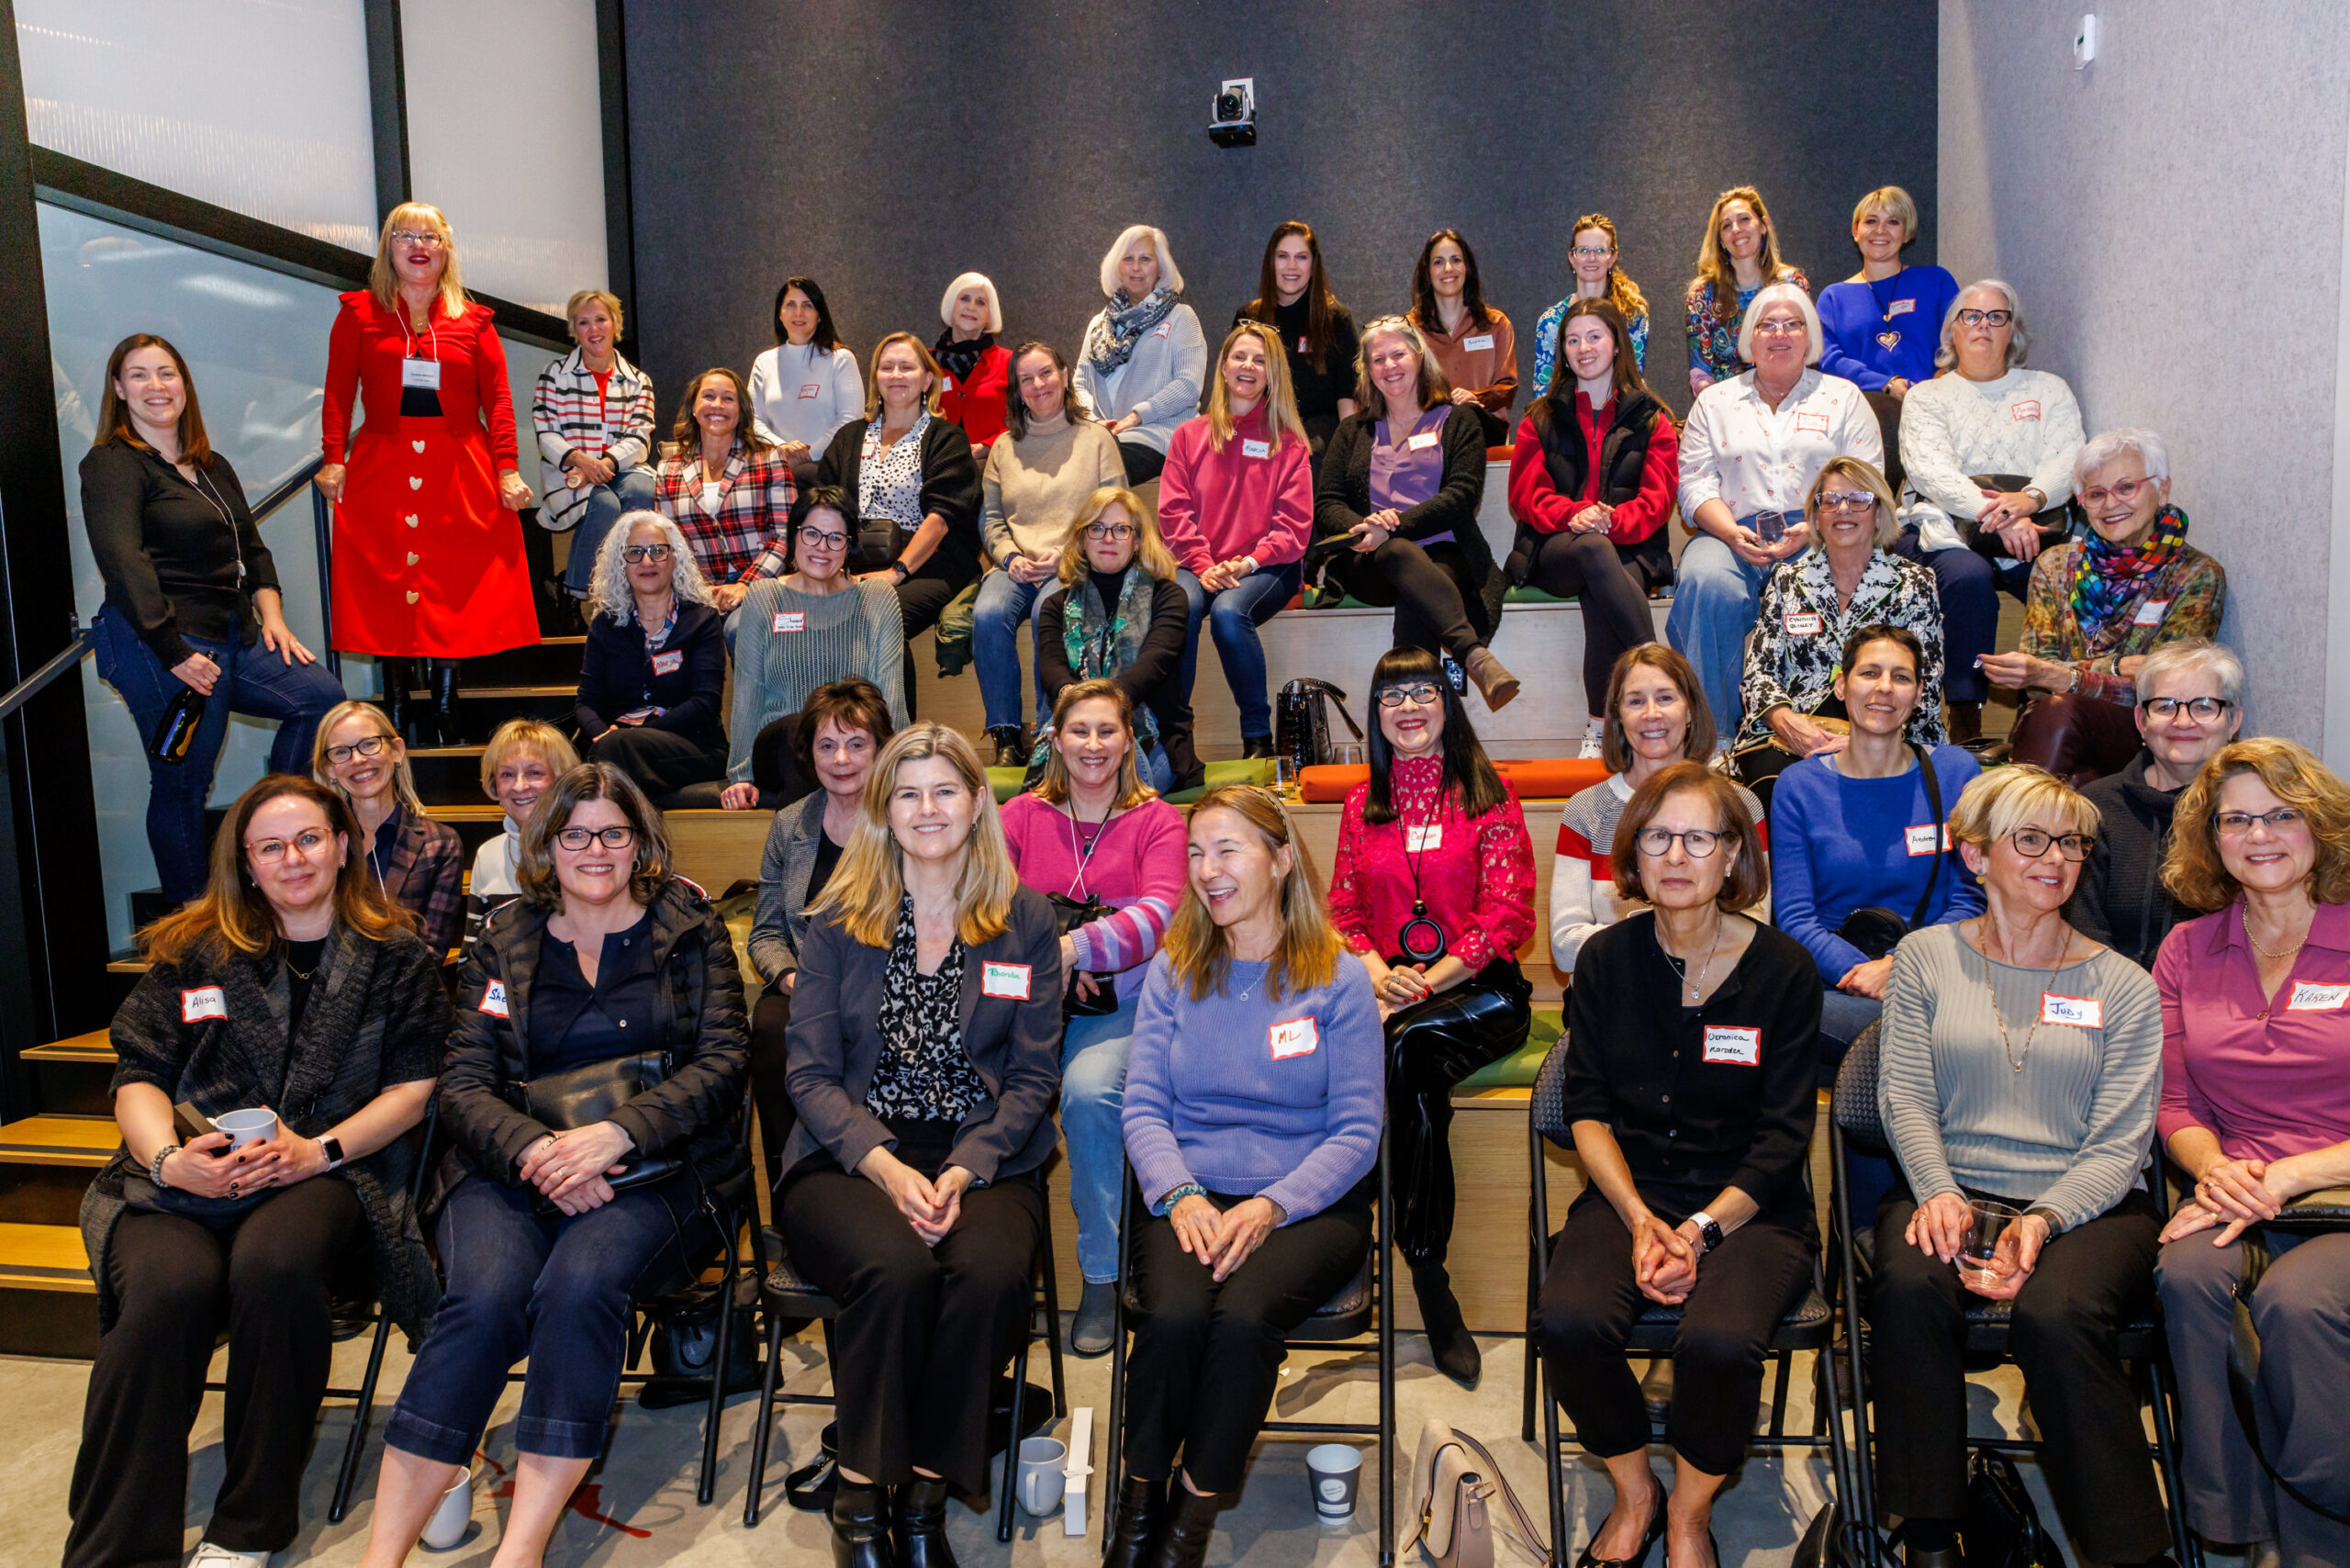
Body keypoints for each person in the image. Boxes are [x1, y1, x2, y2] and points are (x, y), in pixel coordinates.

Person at [359, 763, 750, 1568]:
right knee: (484, 1301)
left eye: (613, 832)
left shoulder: (691, 930)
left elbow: (722, 1062)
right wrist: (538, 1151)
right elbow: (464, 1081)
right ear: (547, 843)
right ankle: (380, 1558)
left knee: (579, 1286)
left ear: (640, 840)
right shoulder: (504, 939)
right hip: (511, 1169)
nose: (595, 850)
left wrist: (617, 1136)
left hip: (657, 1171)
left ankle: (521, 1550)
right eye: (575, 834)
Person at [66, 775, 449, 1568]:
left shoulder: (396, 955)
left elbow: (416, 1088)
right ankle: (114, 1552)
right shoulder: (193, 951)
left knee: (273, 1266)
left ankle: (249, 1527)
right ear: (245, 863)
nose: (293, 858)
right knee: (165, 1291)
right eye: (270, 846)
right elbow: (138, 1072)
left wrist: (318, 1151)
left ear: (344, 846)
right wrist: (170, 1161)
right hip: (188, 1178)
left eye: (309, 838)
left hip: (329, 1173)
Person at [775, 723, 1062, 1568]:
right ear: (882, 808)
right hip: (851, 1153)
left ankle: (926, 1499)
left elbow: (1035, 1077)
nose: (927, 809)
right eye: (907, 793)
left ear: (978, 802)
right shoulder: (835, 921)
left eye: (945, 790)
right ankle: (862, 1501)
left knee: (988, 1273)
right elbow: (810, 1077)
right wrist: (891, 1168)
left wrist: (969, 1168)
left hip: (985, 1151)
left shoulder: (1024, 920)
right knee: (895, 1271)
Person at [1873, 765, 2171, 1568]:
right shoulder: (1927, 957)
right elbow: (1904, 1096)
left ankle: (2131, 1553)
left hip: (2089, 1204)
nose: (2054, 859)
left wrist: (2042, 1220)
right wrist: (1936, 1190)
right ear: (1975, 856)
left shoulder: (2125, 987)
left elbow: (2121, 1145)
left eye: (2070, 843)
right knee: (1908, 1283)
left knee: (2057, 1313)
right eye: (2030, 839)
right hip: (1951, 1182)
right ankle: (1930, 1537)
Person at [1538, 762, 1818, 1568]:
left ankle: (1691, 1515)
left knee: (1722, 1343)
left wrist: (1696, 1232)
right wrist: (1637, 1220)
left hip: (1750, 1207)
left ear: (1734, 855)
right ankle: (1636, 1494)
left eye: (1700, 837)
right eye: (1658, 836)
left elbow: (1782, 1137)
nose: (1676, 856)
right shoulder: (1605, 962)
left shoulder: (1785, 972)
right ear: (1633, 853)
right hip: (1631, 1193)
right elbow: (1586, 1108)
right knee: (1568, 1321)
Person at [1109, 785, 1383, 1568]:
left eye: (1227, 849)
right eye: (1196, 852)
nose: (1206, 869)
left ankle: (1189, 1524)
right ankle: (1138, 1514)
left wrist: (1270, 1205)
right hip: (1190, 1192)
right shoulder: (1175, 970)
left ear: (1282, 859)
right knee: (1171, 1319)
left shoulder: (1339, 978)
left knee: (1242, 1319)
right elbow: (1143, 1109)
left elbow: (1359, 1131)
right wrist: (1181, 1191)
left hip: (1307, 1200)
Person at [2152, 738, 2350, 1568]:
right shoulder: (2188, 949)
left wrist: (2297, 1174)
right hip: (2230, 1185)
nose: (2259, 834)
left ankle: (2320, 1537)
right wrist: (2214, 1169)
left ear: (2321, 826)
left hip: (2336, 1186)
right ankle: (2240, 1528)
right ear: (2212, 838)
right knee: (2187, 1279)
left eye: (2281, 815)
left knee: (2297, 1306)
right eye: (2237, 819)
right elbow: (2173, 1103)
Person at [1326, 645, 1534, 1384]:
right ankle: (1402, 1258)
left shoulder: (1489, 792)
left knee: (1404, 1045)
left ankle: (1412, 1264)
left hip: (1482, 989)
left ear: (1449, 702)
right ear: (1376, 715)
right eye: (1390, 697)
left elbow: (1507, 915)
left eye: (1421, 692)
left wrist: (1425, 983)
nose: (1407, 709)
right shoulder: (1362, 803)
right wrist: (1382, 975)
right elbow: (1343, 909)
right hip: (1389, 989)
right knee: (1390, 1048)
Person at [84, 332, 343, 905]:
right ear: (118, 389)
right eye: (139, 375)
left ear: (184, 384)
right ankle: (196, 925)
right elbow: (122, 563)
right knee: (182, 782)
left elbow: (253, 548)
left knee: (320, 698)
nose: (156, 386)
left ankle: (270, 831)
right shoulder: (112, 464)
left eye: (167, 373)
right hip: (159, 644)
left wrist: (272, 615)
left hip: (234, 635)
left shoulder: (211, 464)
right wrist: (173, 653)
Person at [1002, 680, 1188, 1354]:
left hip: (1126, 1002)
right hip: (1027, 1003)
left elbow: (1161, 916)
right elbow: (987, 909)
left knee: (1087, 1095)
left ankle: (1102, 1278)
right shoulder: (1019, 816)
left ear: (1128, 741)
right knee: (978, 1088)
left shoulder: (1158, 820)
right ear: (1055, 738)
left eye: (1107, 731)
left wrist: (1070, 945)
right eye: (1078, 730)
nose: (1093, 745)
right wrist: (1044, 960)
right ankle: (994, 1276)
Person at [316, 202, 540, 745]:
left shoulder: (474, 320)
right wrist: (332, 457)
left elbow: (501, 403)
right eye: (405, 235)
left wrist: (507, 470)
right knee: (386, 580)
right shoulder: (358, 313)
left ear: (446, 250)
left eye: (431, 237)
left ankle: (444, 703)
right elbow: (339, 392)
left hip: (458, 465)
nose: (418, 246)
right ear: (389, 247)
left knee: (451, 581)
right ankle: (393, 706)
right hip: (382, 464)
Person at [1669, 284, 1881, 743]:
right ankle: (1714, 742)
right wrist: (1729, 533)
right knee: (1707, 582)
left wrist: (1817, 526)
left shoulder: (1844, 398)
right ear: (1749, 339)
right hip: (1730, 532)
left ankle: (1840, 734)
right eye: (1767, 324)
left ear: (1810, 337)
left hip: (1824, 529)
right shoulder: (1714, 402)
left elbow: (1868, 478)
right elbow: (1694, 482)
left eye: (1792, 324)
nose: (1779, 334)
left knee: (1841, 581)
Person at [1770, 625, 1982, 1067]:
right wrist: (1862, 974)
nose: (1885, 688)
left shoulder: (1956, 772)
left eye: (1901, 677)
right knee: (1771, 1010)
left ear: (1920, 693)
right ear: (1842, 685)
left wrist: (1899, 966)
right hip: (1836, 984)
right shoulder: (1798, 786)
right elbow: (1794, 917)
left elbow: (1970, 898)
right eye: (1869, 673)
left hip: (1936, 971)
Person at [1892, 280, 2086, 743]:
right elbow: (1930, 472)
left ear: (2011, 331)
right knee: (1967, 578)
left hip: (2036, 524)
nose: (1983, 325)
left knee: (2066, 576)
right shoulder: (1927, 397)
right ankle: (1966, 717)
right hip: (1948, 528)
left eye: (1996, 316)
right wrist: (2002, 516)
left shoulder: (2049, 389)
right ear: (1952, 333)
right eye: (1971, 316)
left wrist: (2032, 499)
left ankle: (2048, 712)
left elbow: (2070, 457)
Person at [1988, 428, 2228, 786]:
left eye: (2126, 488)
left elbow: (2165, 691)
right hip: (2052, 728)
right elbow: (2035, 678)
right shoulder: (2054, 565)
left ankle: (2020, 826)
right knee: (2071, 763)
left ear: (2162, 490)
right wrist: (2115, 667)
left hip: (2141, 733)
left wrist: (2064, 677)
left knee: (2061, 707)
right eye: (2096, 494)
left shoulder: (2195, 575)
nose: (2111, 504)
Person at [1312, 316, 1516, 709]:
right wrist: (1365, 527)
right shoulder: (1352, 430)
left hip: (1443, 553)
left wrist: (1398, 525)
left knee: (1414, 586)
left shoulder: (1457, 420)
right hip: (1368, 557)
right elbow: (1327, 503)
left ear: (1419, 357)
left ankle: (1410, 718)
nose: (1389, 366)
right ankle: (1473, 655)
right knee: (1395, 552)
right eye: (1378, 359)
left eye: (1398, 355)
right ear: (1368, 371)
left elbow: (1462, 496)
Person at [1505, 297, 1678, 755]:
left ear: (1617, 343)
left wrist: (1610, 521)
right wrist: (1575, 516)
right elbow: (1524, 494)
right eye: (1573, 339)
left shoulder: (1653, 417)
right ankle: (1663, 677)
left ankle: (1599, 730)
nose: (1583, 347)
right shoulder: (1539, 417)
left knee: (1602, 590)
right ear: (1562, 350)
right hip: (1556, 547)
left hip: (1630, 546)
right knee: (1591, 551)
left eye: (1594, 336)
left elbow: (1658, 501)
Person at [745, 678, 896, 1192]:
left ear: (880, 748)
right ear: (809, 754)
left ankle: (868, 1179)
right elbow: (765, 931)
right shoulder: (791, 824)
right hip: (805, 985)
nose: (842, 759)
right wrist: (790, 977)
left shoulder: (906, 819)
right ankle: (794, 1193)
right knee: (769, 1032)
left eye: (857, 744)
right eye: (827, 745)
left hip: (884, 983)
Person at [1553, 645, 1771, 970]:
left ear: (1690, 710)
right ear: (1619, 716)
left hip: (1713, 989)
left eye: (1666, 698)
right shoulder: (1585, 810)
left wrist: (1637, 938)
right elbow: (1565, 947)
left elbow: (1755, 924)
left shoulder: (1741, 806)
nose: (1651, 713)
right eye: (1636, 701)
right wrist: (1668, 938)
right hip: (1611, 993)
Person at [1734, 458, 1945, 792]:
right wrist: (1786, 721)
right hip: (1791, 733)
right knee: (1780, 785)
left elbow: (1926, 686)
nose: (1843, 510)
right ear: (1816, 517)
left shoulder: (1914, 583)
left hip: (1888, 727)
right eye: (1830, 501)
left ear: (1878, 514)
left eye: (1858, 499)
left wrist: (1861, 739)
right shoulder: (1788, 580)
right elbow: (1759, 674)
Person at [1157, 322, 1313, 758]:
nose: (1249, 366)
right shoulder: (1188, 436)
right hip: (1198, 564)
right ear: (1223, 368)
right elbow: (1172, 512)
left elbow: (1294, 526)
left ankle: (1257, 738)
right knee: (1178, 605)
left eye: (1260, 360)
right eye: (1240, 357)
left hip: (1266, 567)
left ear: (1272, 374)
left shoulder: (1289, 442)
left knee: (1228, 613)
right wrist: (1204, 565)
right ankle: (1175, 737)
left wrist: (1245, 564)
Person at [975, 341, 1126, 761]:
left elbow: (1116, 511)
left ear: (1063, 375)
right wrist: (1009, 558)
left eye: (1046, 373)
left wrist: (1071, 553)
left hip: (1075, 563)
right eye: (1026, 379)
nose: (1038, 385)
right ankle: (1006, 736)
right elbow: (990, 519)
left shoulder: (1097, 439)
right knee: (987, 613)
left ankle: (1048, 733)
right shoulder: (1003, 447)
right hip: (1016, 565)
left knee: (1049, 611)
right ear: (1017, 390)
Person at [719, 486, 908, 811]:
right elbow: (748, 691)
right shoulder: (763, 597)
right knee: (803, 728)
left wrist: (901, 770)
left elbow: (892, 696)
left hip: (850, 748)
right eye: (811, 534)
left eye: (836, 538)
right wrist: (740, 775)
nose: (822, 547)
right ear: (793, 536)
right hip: (780, 747)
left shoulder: (877, 598)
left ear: (850, 546)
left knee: (840, 745)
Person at [2070, 639, 2244, 968]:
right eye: (2165, 706)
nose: (2183, 721)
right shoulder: (2094, 808)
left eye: (2204, 706)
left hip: (2223, 1003)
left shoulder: (2255, 817)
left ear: (2233, 721)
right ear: (2141, 721)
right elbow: (2082, 929)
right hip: (2115, 1000)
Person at [814, 331, 986, 653]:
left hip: (927, 568)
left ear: (927, 381)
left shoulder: (946, 439)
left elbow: (942, 518)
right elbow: (824, 509)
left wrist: (897, 572)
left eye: (906, 367)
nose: (895, 375)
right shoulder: (849, 438)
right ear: (875, 379)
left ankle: (890, 707)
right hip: (855, 565)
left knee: (879, 619)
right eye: (887, 367)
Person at [1035, 487, 1202, 796]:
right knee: (1083, 771)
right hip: (1076, 741)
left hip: (1154, 742)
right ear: (1083, 540)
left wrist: (1091, 709)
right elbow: (1051, 671)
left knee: (1098, 785)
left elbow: (1150, 668)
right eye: (1097, 528)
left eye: (1120, 529)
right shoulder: (1056, 606)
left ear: (1137, 541)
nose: (1108, 538)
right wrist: (1088, 720)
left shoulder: (1169, 597)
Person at [576, 511, 729, 803]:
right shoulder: (605, 625)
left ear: (675, 559)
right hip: (615, 745)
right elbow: (586, 702)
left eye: (658, 551)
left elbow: (705, 702)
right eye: (635, 552)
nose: (647, 562)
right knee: (610, 754)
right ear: (621, 563)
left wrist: (636, 734)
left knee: (613, 757)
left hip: (690, 746)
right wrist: (600, 734)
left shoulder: (702, 618)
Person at [533, 288, 657, 611]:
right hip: (570, 471)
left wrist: (606, 463)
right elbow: (545, 433)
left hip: (622, 468)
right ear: (574, 330)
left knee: (643, 491)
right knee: (604, 503)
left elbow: (641, 436)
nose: (594, 329)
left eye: (601, 319)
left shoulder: (638, 380)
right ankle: (573, 593)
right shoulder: (553, 375)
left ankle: (630, 586)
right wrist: (581, 460)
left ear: (615, 324)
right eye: (583, 322)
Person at [312, 699, 464, 957]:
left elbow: (431, 953)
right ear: (329, 769)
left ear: (396, 750)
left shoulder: (441, 844)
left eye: (369, 744)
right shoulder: (315, 844)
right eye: (341, 752)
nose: (358, 759)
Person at [653, 366, 798, 633]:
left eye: (728, 398)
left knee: (739, 630)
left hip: (761, 584)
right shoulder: (668, 470)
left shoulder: (769, 459)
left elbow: (785, 535)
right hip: (699, 589)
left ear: (741, 411)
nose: (717, 405)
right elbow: (669, 545)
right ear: (693, 408)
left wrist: (746, 585)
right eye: (708, 396)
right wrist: (699, 590)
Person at [1075, 224, 1209, 487]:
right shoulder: (1098, 324)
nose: (1136, 267)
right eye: (1128, 259)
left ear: (1161, 268)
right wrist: (1094, 422)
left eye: (1145, 259)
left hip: (1158, 436)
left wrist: (1137, 416)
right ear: (1117, 268)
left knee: (1096, 472)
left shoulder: (1182, 317)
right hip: (1102, 436)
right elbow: (1079, 383)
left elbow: (1188, 385)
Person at [1814, 185, 1960, 403]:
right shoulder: (1834, 298)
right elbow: (1828, 360)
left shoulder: (1936, 281)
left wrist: (1940, 381)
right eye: (1871, 221)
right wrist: (1886, 384)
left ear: (1908, 233)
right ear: (1855, 230)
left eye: (1893, 222)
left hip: (1934, 406)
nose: (1880, 230)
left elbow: (1961, 340)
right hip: (1861, 410)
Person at [1233, 220, 1360, 454]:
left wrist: (1350, 451)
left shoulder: (1336, 319)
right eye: (1283, 256)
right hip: (1263, 425)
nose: (1291, 266)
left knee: (1303, 458)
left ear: (1314, 265)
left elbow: (1348, 396)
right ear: (1271, 263)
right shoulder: (1249, 317)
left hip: (1319, 430)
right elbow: (1233, 386)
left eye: (1301, 257)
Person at [1683, 186, 1809, 395]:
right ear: (1721, 241)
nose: (1736, 229)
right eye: (1726, 226)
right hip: (1727, 407)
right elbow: (1700, 373)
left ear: (1763, 225)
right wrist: (1720, 408)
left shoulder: (1794, 286)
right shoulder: (1702, 296)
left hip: (1788, 400)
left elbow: (1806, 354)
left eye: (1744, 219)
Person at [464, 719, 580, 947]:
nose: (519, 786)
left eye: (534, 773)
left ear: (563, 780)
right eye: (507, 775)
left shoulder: (588, 849)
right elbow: (472, 956)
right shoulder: (488, 854)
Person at [1406, 229, 1517, 445]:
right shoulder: (1410, 329)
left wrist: (1475, 398)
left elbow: (1508, 388)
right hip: (1430, 431)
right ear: (1427, 272)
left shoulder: (1496, 324)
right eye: (1438, 262)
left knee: (1465, 412)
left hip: (1485, 428)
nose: (1448, 269)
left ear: (1467, 269)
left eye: (1456, 260)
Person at [747, 275, 864, 479]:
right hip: (775, 466)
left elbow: (850, 421)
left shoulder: (840, 359)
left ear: (820, 315)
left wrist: (809, 454)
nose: (799, 313)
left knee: (804, 476)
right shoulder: (764, 362)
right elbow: (753, 419)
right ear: (780, 314)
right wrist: (782, 448)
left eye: (808, 305)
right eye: (790, 305)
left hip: (827, 469)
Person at [1529, 213, 1651, 393]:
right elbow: (1543, 390)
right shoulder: (1550, 322)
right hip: (1563, 417)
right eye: (1584, 250)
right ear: (1572, 258)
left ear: (1612, 257)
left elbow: (1632, 381)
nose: (1591, 258)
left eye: (1600, 250)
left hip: (1618, 415)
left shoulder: (1632, 316)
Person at [935, 272, 1013, 452]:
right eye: (964, 299)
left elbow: (1025, 419)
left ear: (990, 315)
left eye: (981, 303)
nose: (971, 307)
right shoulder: (925, 363)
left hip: (991, 467)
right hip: (936, 468)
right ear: (950, 305)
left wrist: (987, 447)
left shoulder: (1010, 362)